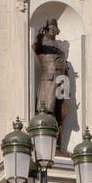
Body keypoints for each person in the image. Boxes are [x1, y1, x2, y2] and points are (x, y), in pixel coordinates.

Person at [33, 19, 69, 149]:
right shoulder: (43, 43)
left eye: (55, 29)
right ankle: (44, 142)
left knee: (61, 112)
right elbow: (35, 47)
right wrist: (39, 34)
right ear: (46, 30)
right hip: (48, 81)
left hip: (62, 81)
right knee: (47, 110)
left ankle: (57, 142)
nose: (53, 31)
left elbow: (64, 66)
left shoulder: (59, 47)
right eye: (51, 28)